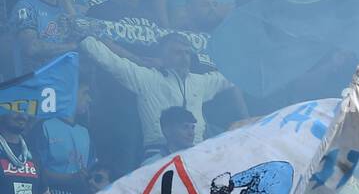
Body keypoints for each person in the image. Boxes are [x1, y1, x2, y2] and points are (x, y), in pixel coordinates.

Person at [79, 30, 245, 150]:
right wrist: (86, 38)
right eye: (178, 53)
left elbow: (231, 75)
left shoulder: (199, 82)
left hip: (195, 152)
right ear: (163, 56)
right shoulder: (148, 78)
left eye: (187, 53)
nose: (185, 58)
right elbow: (111, 62)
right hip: (158, 154)